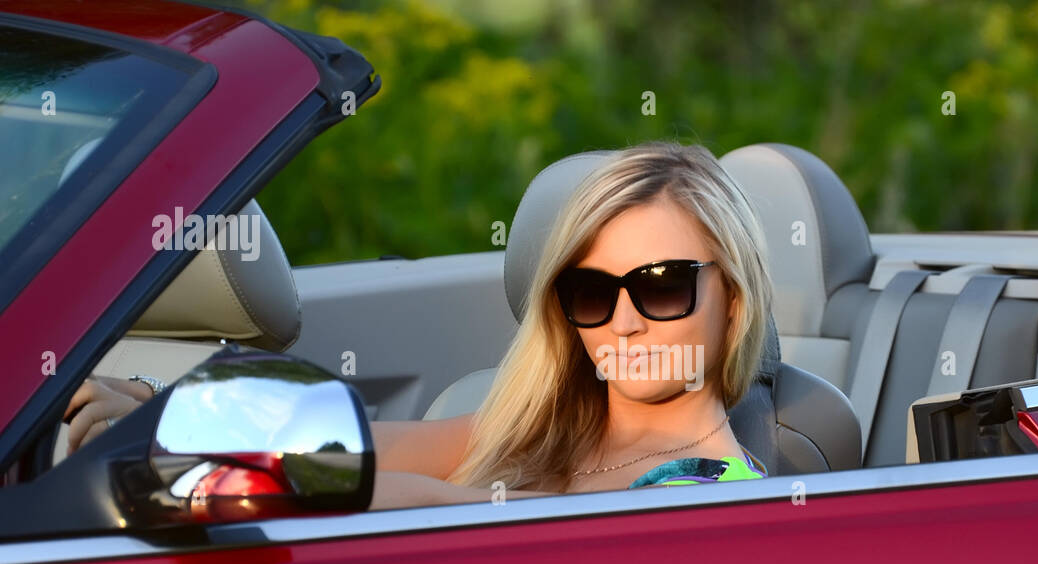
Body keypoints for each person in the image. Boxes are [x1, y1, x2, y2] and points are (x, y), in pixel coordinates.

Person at [64, 141, 776, 508]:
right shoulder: (545, 428)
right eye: (591, 292)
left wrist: (205, 466)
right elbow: (365, 445)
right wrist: (171, 413)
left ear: (734, 304)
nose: (621, 323)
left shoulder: (711, 495)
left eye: (660, 286)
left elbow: (446, 507)